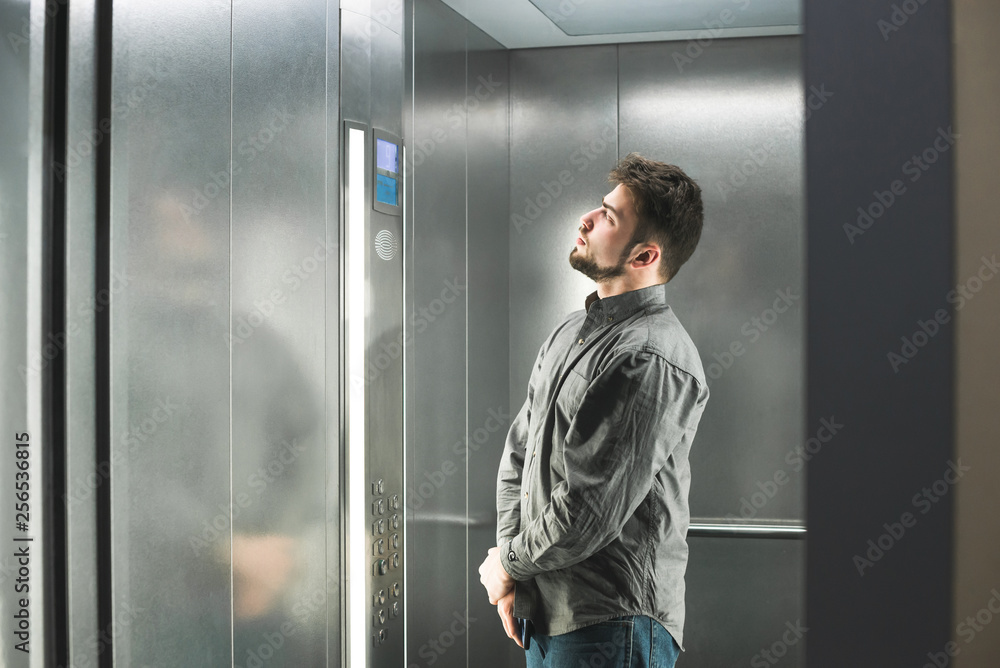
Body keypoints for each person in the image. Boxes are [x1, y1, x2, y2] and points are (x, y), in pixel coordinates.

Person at [478, 153, 711, 667]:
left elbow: (588, 509)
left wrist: (510, 565)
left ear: (645, 255)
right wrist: (511, 572)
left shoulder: (649, 357)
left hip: (611, 626)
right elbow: (518, 455)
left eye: (609, 215)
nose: (586, 219)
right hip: (545, 610)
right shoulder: (569, 332)